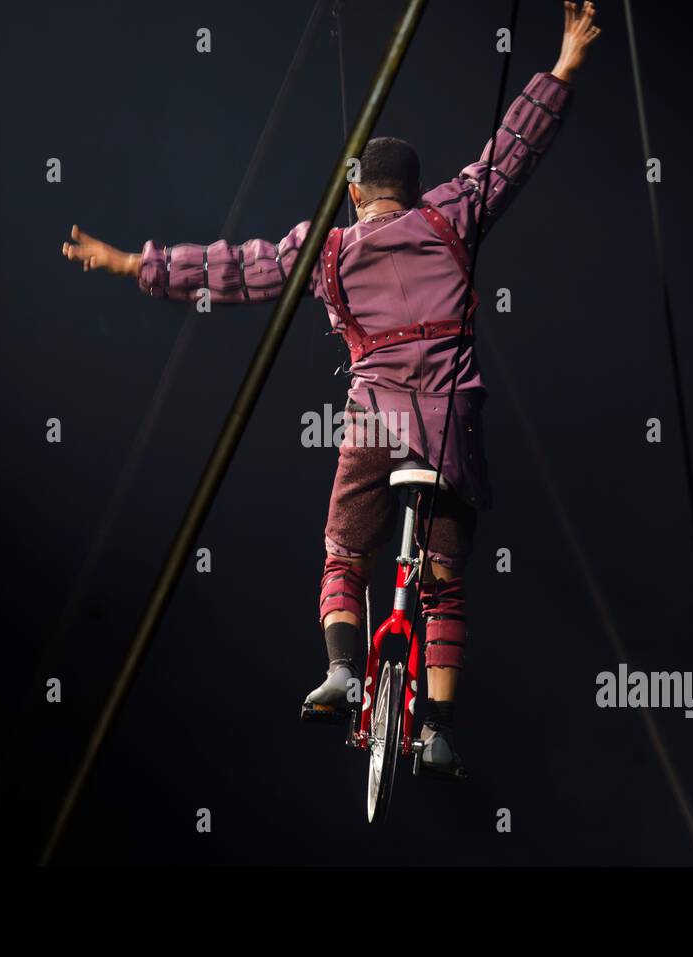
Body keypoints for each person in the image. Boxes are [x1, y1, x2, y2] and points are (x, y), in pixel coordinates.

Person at [62, 2, 602, 776]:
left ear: (355, 194)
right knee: (443, 586)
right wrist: (565, 64)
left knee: (345, 551)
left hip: (374, 423)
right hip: (449, 428)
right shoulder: (450, 214)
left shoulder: (328, 247)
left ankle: (343, 670)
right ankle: (438, 730)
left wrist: (131, 263)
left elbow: (234, 269)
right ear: (415, 191)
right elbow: (514, 148)